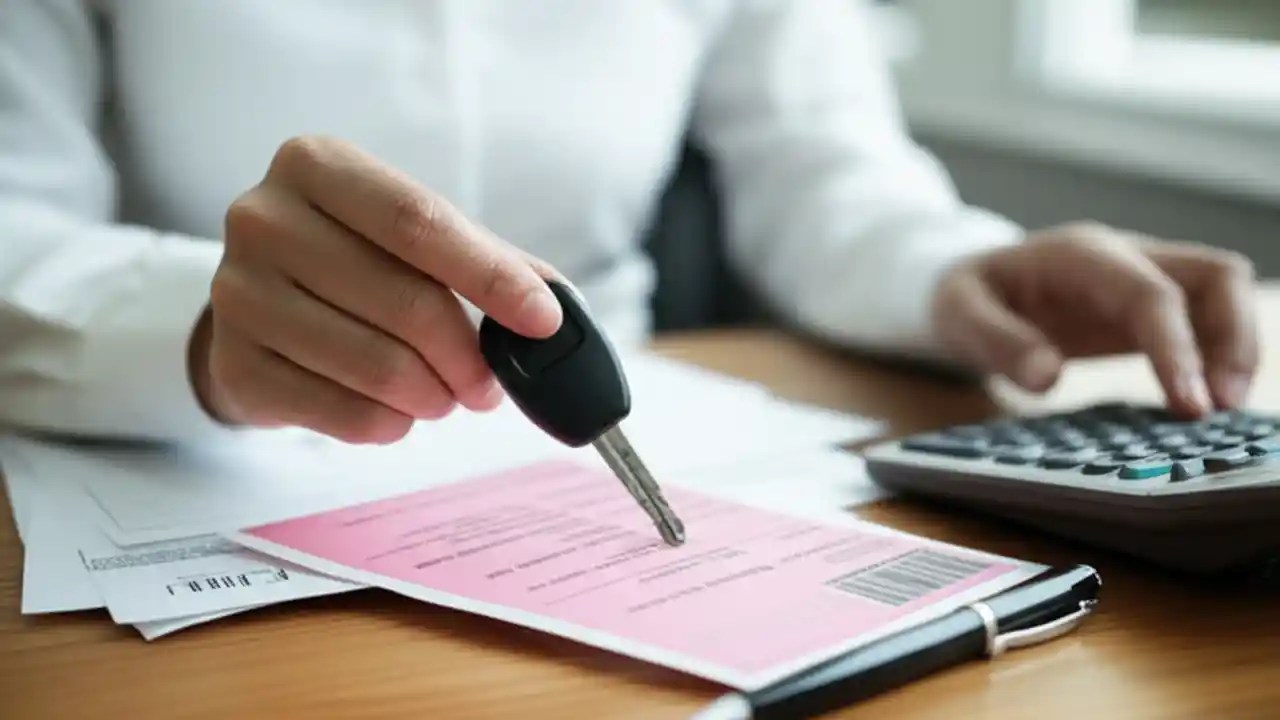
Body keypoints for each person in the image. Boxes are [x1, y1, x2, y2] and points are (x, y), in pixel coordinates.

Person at [0, 1, 1258, 446]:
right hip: (175, 446)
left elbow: (819, 166)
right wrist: (198, 329)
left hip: (655, 435)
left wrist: (958, 264)